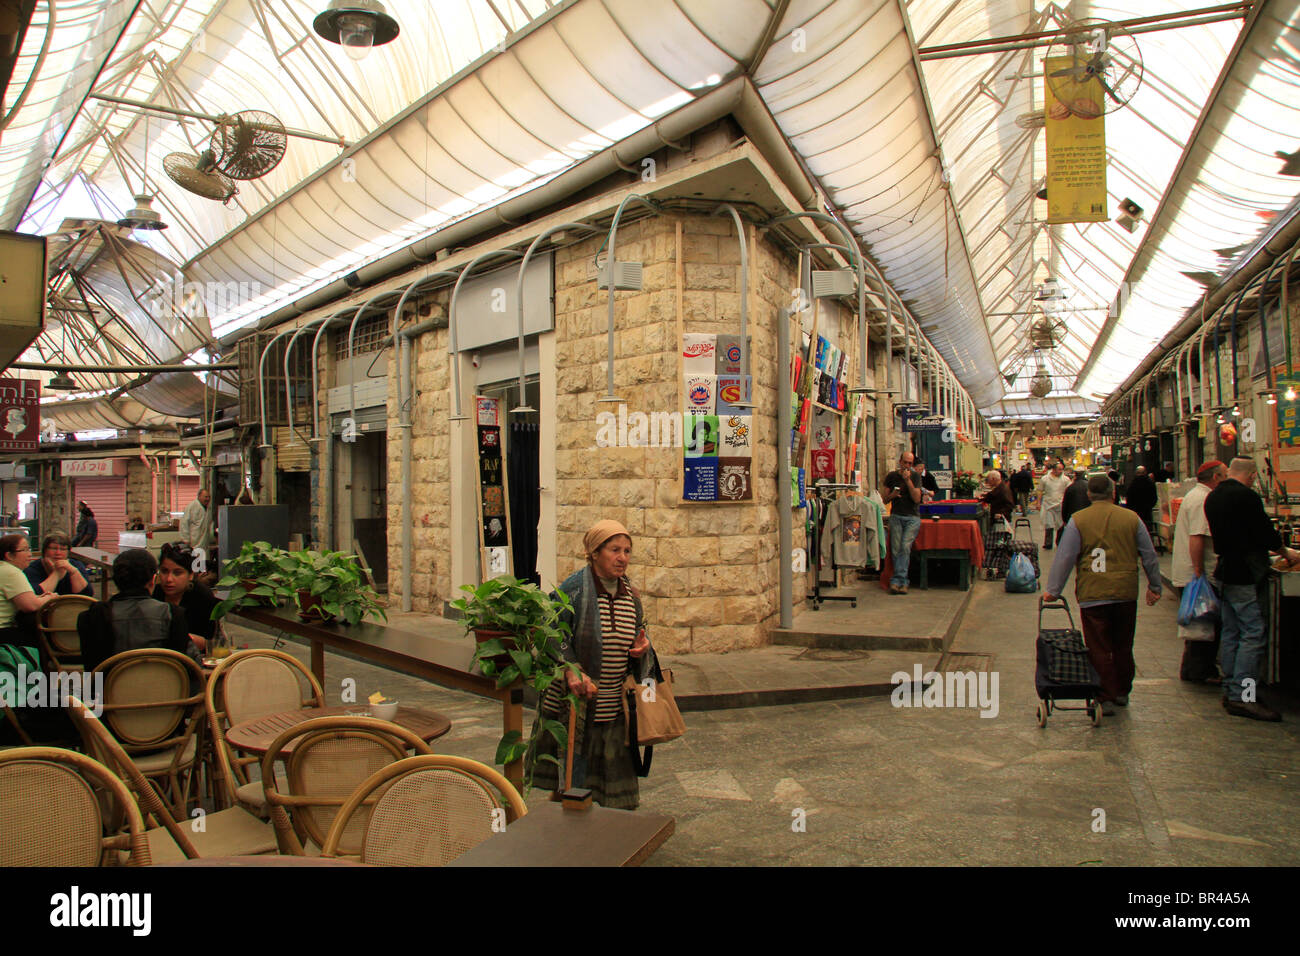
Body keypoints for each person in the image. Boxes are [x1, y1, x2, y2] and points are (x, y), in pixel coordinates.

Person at [528, 520, 654, 810]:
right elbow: (550, 632)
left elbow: (640, 636)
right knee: (573, 785)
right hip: (578, 706)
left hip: (615, 709)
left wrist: (641, 649)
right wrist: (572, 668)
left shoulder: (631, 595)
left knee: (614, 794)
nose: (622, 558)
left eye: (627, 551)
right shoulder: (575, 588)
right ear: (594, 552)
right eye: (614, 550)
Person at [1045, 475, 1162, 715]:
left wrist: (1053, 591)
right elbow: (1148, 554)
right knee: (1123, 644)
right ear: (1113, 492)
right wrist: (1155, 586)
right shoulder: (1132, 518)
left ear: (1089, 495)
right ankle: (1121, 690)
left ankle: (1105, 694)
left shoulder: (1078, 521)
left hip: (1093, 591)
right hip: (1125, 591)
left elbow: (1065, 557)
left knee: (1098, 646)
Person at [1203, 457, 1300, 721]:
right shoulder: (1246, 496)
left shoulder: (1212, 498)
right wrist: (1286, 552)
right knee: (1253, 633)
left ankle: (1231, 689)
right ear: (1252, 475)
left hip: (1224, 571)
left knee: (1232, 631)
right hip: (1244, 574)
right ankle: (1244, 696)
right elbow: (1265, 534)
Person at [77, 549, 193, 673]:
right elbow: (181, 668)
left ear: (116, 580)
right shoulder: (173, 614)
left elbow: (92, 671)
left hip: (110, 690)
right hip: (164, 690)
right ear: (153, 580)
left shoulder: (91, 616)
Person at [1172, 460, 1227, 683]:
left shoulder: (1195, 496)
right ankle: (1200, 672)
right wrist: (1198, 572)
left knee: (1198, 624)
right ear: (1216, 478)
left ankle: (1193, 670)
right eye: (1225, 475)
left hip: (1193, 571)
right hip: (1196, 573)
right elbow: (1197, 537)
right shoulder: (1202, 499)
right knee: (1203, 623)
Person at [151, 543, 216, 653]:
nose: (169, 579)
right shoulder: (155, 595)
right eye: (164, 571)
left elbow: (211, 643)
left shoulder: (202, 597)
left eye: (177, 573)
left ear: (190, 575)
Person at [0, 533, 59, 646]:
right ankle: (24, 664)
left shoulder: (3, 569)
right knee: (36, 642)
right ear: (9, 555)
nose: (30, 554)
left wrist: (39, 598)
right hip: (3, 631)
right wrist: (51, 597)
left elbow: (24, 600)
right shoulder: (11, 572)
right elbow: (30, 605)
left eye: (29, 549)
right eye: (25, 550)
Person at [881, 450, 923, 595]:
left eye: (910, 463)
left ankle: (900, 580)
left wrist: (908, 481)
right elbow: (884, 499)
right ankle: (899, 581)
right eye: (905, 462)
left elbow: (917, 498)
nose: (907, 465)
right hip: (897, 515)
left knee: (905, 547)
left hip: (912, 517)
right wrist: (893, 495)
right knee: (896, 548)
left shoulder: (916, 476)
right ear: (900, 461)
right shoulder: (892, 476)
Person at [24, 532, 93, 597]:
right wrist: (56, 574)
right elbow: (36, 595)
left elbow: (87, 594)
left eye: (63, 549)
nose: (58, 553)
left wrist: (73, 572)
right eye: (53, 548)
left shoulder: (76, 565)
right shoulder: (31, 569)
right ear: (45, 551)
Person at [1038, 460, 1071, 550]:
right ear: (1053, 470)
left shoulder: (1065, 479)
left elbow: (1068, 491)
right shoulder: (1045, 479)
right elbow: (1040, 490)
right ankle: (1048, 543)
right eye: (1059, 469)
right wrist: (1038, 502)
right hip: (1048, 504)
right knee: (1049, 524)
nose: (1061, 471)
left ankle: (1060, 542)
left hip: (1060, 504)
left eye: (1062, 470)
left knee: (1060, 525)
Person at [1125, 466, 1158, 534]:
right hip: (1147, 512)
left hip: (1135, 513)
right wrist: (1149, 506)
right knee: (1147, 531)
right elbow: (1154, 498)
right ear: (1145, 472)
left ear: (1136, 473)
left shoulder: (1132, 484)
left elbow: (1129, 499)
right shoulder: (1150, 484)